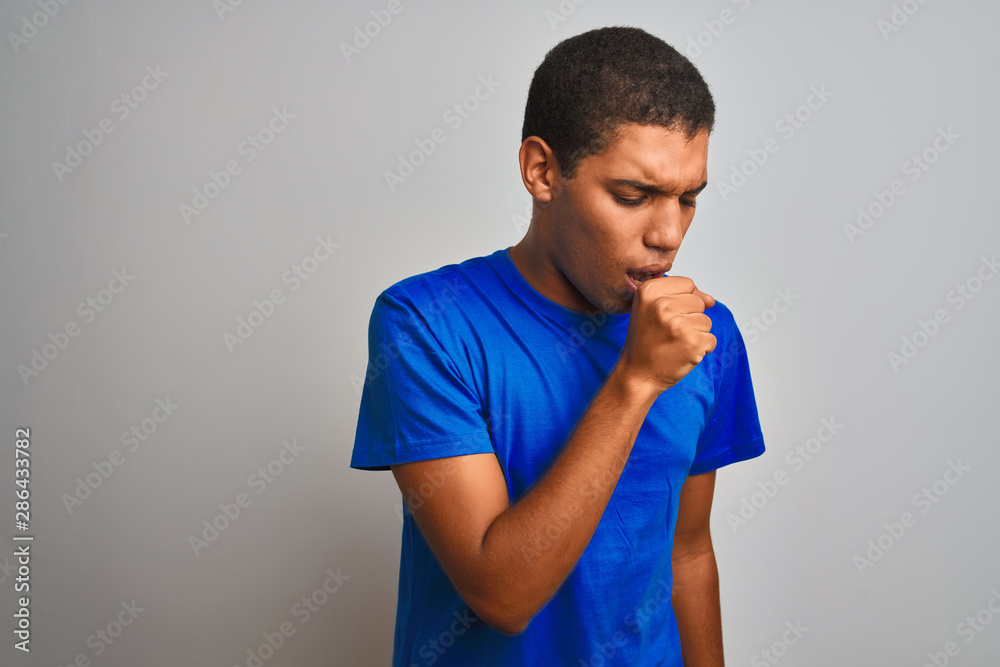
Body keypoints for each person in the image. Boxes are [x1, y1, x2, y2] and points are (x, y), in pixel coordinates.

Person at [350, 25, 766, 666]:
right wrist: (635, 383)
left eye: (688, 199)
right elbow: (502, 595)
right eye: (633, 196)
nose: (667, 234)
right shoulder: (426, 323)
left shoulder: (705, 335)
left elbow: (687, 551)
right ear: (542, 171)